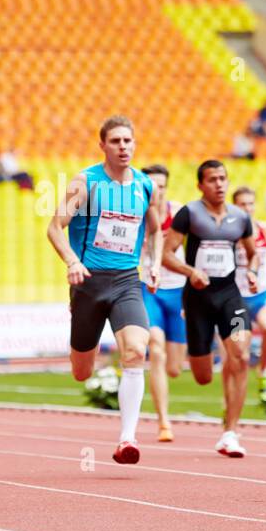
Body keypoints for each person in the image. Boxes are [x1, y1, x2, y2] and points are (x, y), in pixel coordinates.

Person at [46, 115, 162, 465]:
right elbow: (54, 227)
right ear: (103, 146)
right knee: (82, 370)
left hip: (127, 280)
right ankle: (86, 355)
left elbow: (156, 230)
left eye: (128, 141)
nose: (123, 147)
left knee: (136, 351)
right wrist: (71, 262)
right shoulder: (86, 183)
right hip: (88, 283)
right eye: (116, 141)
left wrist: (154, 263)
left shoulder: (145, 186)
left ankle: (127, 439)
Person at [161, 160, 260, 458]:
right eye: (212, 180)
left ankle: (230, 432)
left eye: (223, 179)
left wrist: (252, 272)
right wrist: (191, 272)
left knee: (241, 355)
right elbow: (166, 255)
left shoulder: (241, 217)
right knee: (203, 375)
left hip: (230, 296)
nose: (219, 184)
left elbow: (252, 254)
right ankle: (225, 404)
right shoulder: (189, 214)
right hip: (198, 300)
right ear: (200, 185)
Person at [139, 164, 185, 442]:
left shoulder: (179, 213)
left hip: (178, 290)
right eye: (152, 186)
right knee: (155, 349)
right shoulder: (135, 214)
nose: (157, 191)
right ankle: (163, 422)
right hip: (149, 289)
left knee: (175, 368)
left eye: (162, 186)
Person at [232, 186, 266, 387]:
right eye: (242, 204)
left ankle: (263, 368)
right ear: (234, 206)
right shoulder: (228, 234)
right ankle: (236, 388)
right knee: (239, 352)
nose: (247, 208)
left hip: (261, 295)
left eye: (250, 203)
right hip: (237, 300)